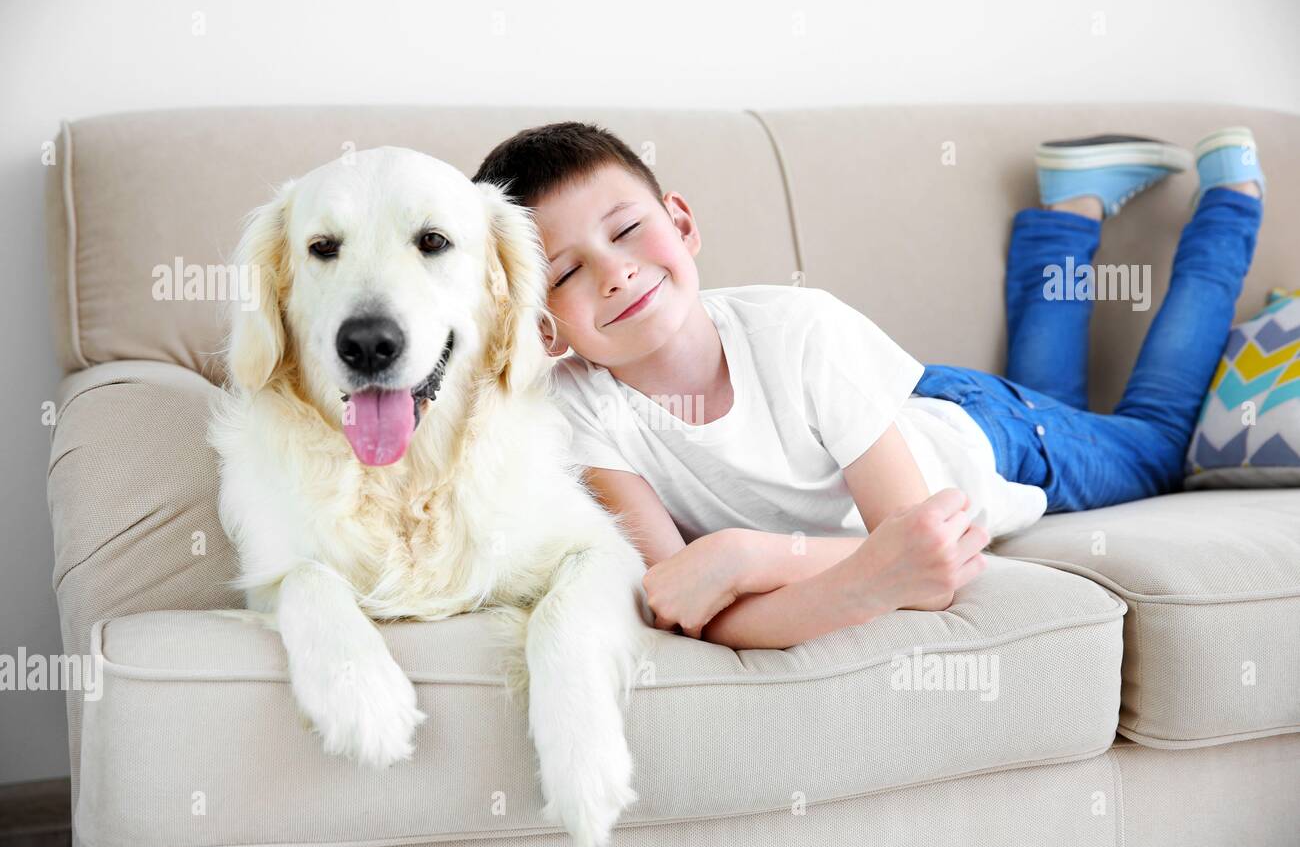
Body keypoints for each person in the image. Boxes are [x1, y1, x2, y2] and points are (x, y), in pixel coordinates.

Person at [471, 124, 1264, 650]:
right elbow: (686, 601)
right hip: (912, 415)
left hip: (986, 438)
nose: (617, 273)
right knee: (1050, 390)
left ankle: (1231, 208)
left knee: (1159, 442)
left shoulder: (801, 331)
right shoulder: (575, 413)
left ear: (680, 223)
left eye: (627, 230)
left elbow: (917, 544)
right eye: (569, 271)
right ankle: (1071, 205)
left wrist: (746, 556)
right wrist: (846, 575)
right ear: (543, 326)